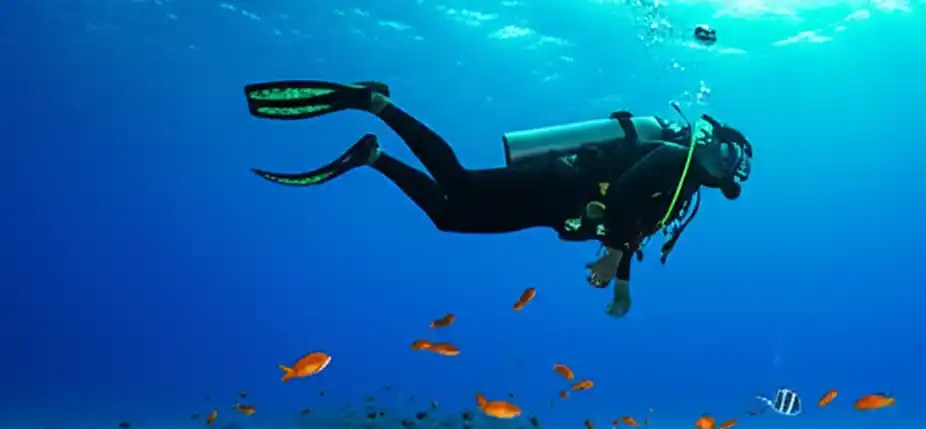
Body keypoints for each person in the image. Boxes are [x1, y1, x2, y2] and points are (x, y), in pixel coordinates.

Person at [242, 80, 753, 317]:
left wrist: (620, 280)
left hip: (555, 208)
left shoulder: (685, 189)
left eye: (737, 166)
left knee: (447, 217)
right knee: (458, 182)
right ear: (711, 143)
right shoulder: (671, 159)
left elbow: (633, 221)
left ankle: (374, 156)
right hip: (555, 187)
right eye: (729, 153)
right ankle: (379, 105)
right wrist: (615, 263)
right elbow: (624, 195)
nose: (730, 166)